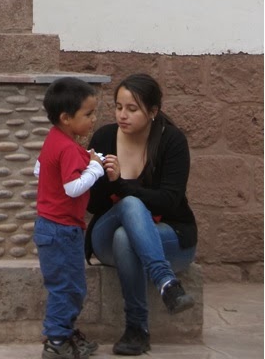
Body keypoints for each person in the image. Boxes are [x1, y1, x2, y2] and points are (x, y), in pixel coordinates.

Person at [86, 73, 198, 356]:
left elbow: (170, 203)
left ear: (153, 111)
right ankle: (166, 282)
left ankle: (137, 329)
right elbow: (92, 206)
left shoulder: (171, 141)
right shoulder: (104, 138)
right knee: (129, 207)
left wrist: (122, 185)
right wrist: (101, 178)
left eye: (132, 109)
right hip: (105, 238)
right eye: (118, 107)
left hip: (170, 237)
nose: (123, 115)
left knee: (127, 235)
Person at [34, 77, 106, 359]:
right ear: (66, 117)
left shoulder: (54, 139)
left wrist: (86, 161)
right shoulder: (67, 148)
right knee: (69, 288)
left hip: (48, 227)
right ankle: (56, 341)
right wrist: (95, 170)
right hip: (63, 230)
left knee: (66, 286)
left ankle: (63, 333)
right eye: (88, 114)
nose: (93, 119)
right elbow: (72, 187)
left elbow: (39, 171)